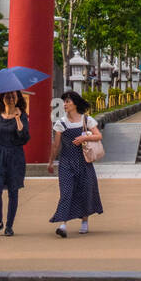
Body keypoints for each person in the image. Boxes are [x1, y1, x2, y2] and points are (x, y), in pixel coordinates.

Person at [48, 90, 104, 237]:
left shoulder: (87, 120)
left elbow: (99, 135)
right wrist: (51, 162)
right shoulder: (61, 123)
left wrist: (83, 139)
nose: (65, 104)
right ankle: (63, 224)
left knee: (85, 191)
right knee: (66, 192)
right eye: (64, 102)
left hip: (84, 162)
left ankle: (84, 221)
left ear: (75, 103)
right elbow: (56, 145)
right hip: (66, 163)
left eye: (68, 101)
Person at [0, 91, 30, 237]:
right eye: (7, 96)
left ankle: (9, 225)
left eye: (13, 96)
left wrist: (17, 119)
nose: (10, 99)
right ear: (2, 98)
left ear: (17, 98)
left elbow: (24, 138)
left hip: (15, 157)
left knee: (13, 192)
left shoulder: (22, 115)